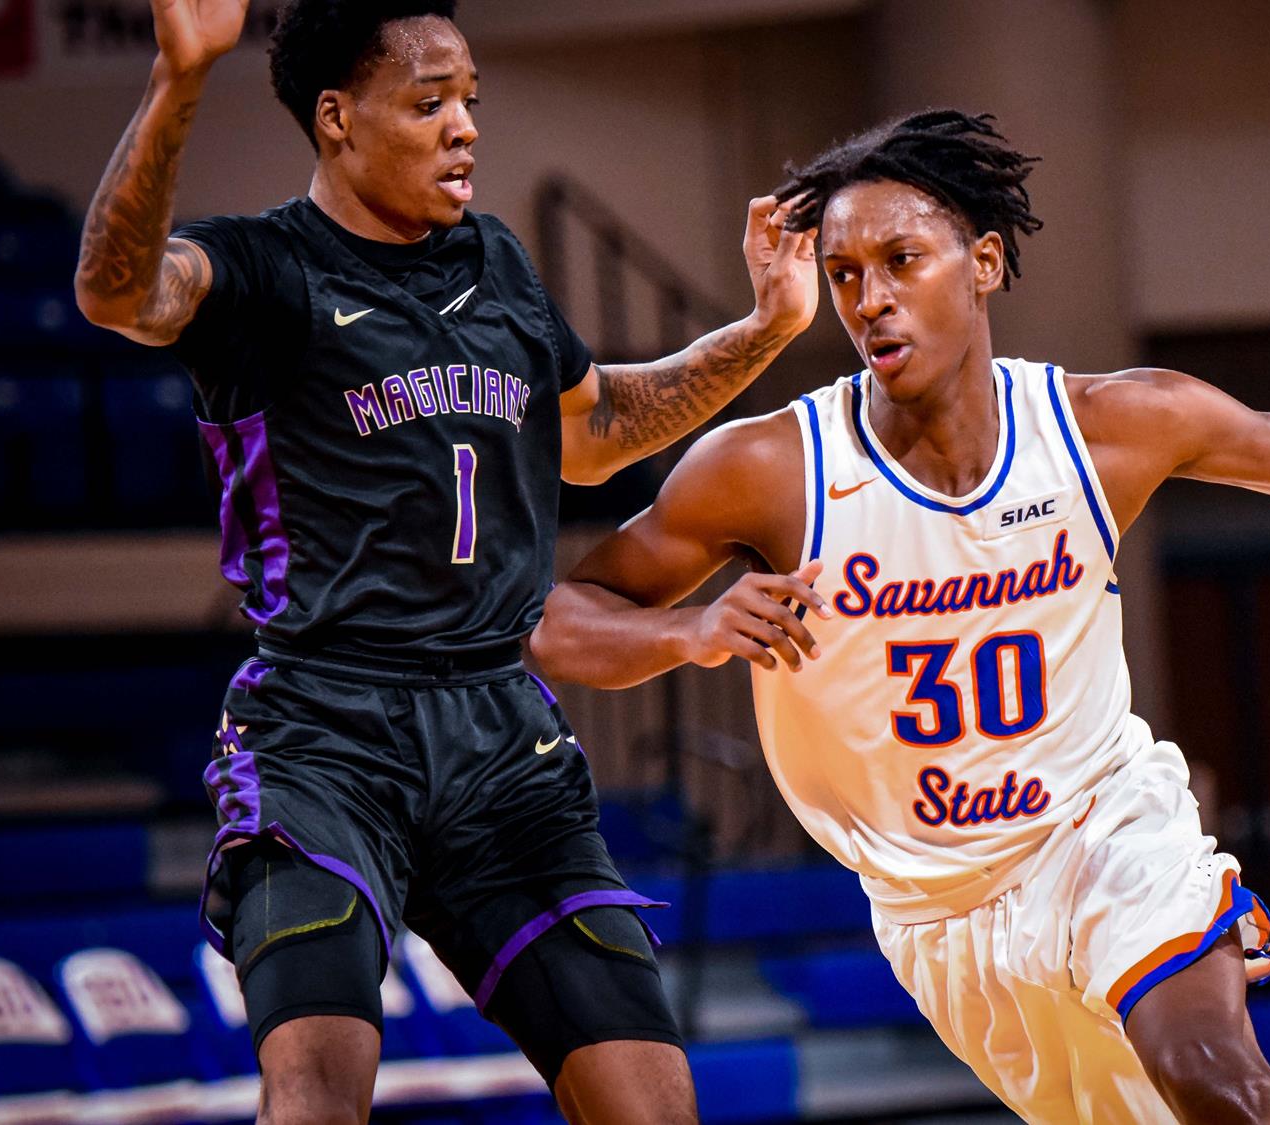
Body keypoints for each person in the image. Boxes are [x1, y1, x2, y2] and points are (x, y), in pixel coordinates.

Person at [528, 110, 1270, 1123]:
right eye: (845, 276)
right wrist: (688, 633)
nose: (872, 301)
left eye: (902, 260)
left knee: (1218, 1077)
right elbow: (557, 618)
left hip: (1104, 830)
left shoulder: (1111, 426)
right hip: (937, 911)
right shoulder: (768, 471)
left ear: (983, 264)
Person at [72, 1, 818, 1121]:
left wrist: (762, 332)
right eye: (429, 104)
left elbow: (595, 430)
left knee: (653, 1101)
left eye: (469, 99)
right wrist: (179, 78)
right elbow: (115, 292)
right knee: (316, 1088)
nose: (465, 126)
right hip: (323, 732)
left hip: (499, 736)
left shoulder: (499, 263)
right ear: (337, 118)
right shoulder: (264, 270)